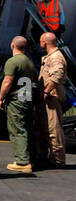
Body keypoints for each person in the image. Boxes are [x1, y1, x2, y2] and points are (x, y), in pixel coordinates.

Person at [0, 35, 36, 173]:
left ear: (13, 45)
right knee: (27, 128)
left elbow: (7, 81)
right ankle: (29, 157)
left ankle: (22, 162)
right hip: (27, 98)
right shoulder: (29, 62)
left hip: (17, 100)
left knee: (17, 129)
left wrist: (0, 98)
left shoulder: (12, 61)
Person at [39, 31, 68, 166]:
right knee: (48, 127)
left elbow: (57, 75)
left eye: (41, 41)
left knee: (53, 128)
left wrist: (46, 91)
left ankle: (58, 159)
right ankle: (50, 156)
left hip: (52, 96)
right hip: (50, 95)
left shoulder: (56, 57)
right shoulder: (51, 56)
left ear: (44, 42)